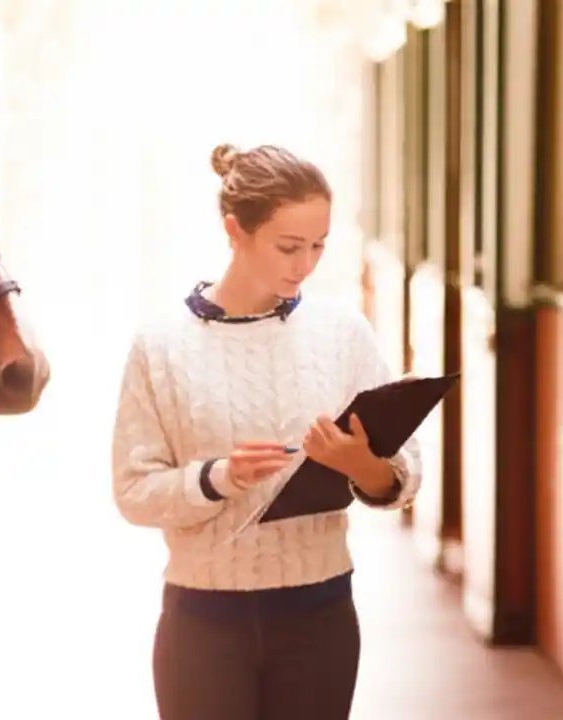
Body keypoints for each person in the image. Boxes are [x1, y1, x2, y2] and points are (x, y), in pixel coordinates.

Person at [110, 142, 422, 720]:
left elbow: (405, 472)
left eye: (319, 245)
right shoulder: (159, 345)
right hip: (201, 625)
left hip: (320, 617)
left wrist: (364, 467)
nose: (305, 263)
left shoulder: (342, 332)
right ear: (235, 230)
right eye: (289, 246)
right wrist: (217, 479)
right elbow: (133, 492)